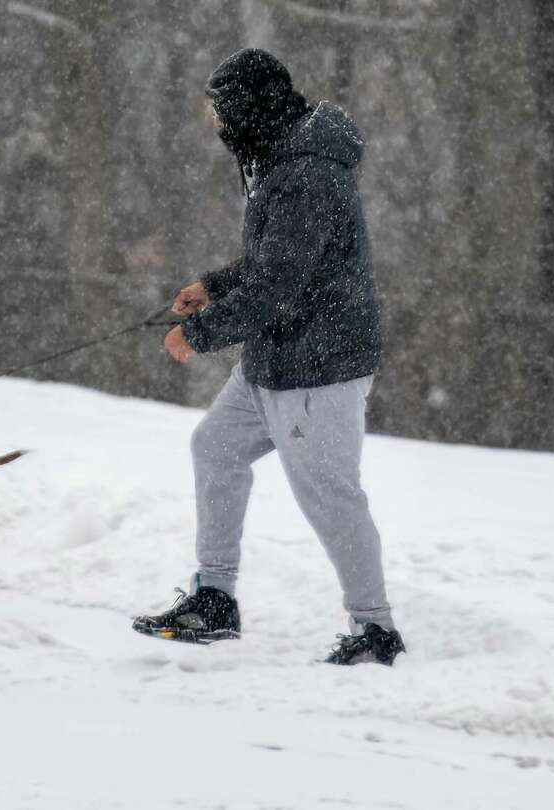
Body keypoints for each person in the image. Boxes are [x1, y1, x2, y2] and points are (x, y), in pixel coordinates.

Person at [131, 48, 405, 666]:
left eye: (223, 112)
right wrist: (215, 285)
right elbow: (273, 263)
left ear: (253, 109)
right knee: (216, 448)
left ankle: (375, 630)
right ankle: (214, 599)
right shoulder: (281, 158)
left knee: (330, 495)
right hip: (274, 361)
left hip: (319, 366)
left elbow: (281, 286)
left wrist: (196, 335)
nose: (217, 125)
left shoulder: (308, 172)